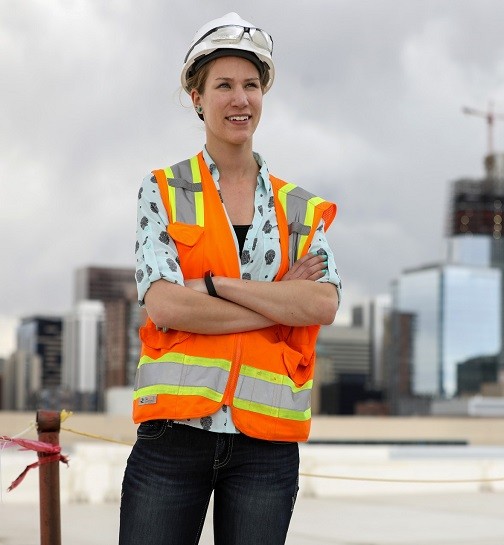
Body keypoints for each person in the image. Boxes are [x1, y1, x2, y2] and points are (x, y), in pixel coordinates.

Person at [119, 12, 341, 545]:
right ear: (197, 97)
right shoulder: (164, 190)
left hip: (265, 447)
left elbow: (322, 305)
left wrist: (215, 286)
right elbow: (167, 307)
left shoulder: (299, 208)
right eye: (224, 85)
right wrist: (279, 296)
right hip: (173, 438)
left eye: (251, 85)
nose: (240, 99)